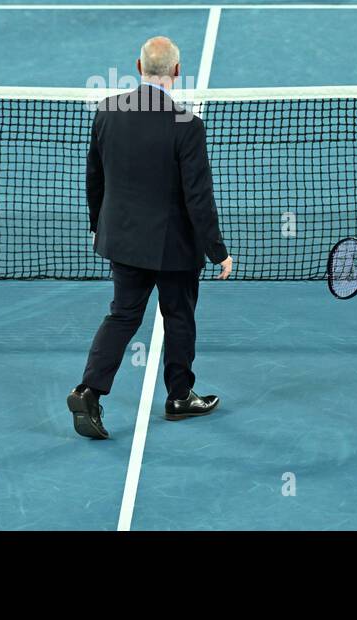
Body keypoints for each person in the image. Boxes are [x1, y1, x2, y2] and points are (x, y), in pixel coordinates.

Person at [68, 37, 233, 440]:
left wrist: (97, 224)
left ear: (138, 66)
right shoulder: (187, 125)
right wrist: (218, 252)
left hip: (122, 239)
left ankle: (88, 390)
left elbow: (96, 178)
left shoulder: (107, 113)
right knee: (178, 316)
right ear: (177, 71)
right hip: (174, 247)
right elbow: (198, 197)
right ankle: (179, 397)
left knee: (123, 315)